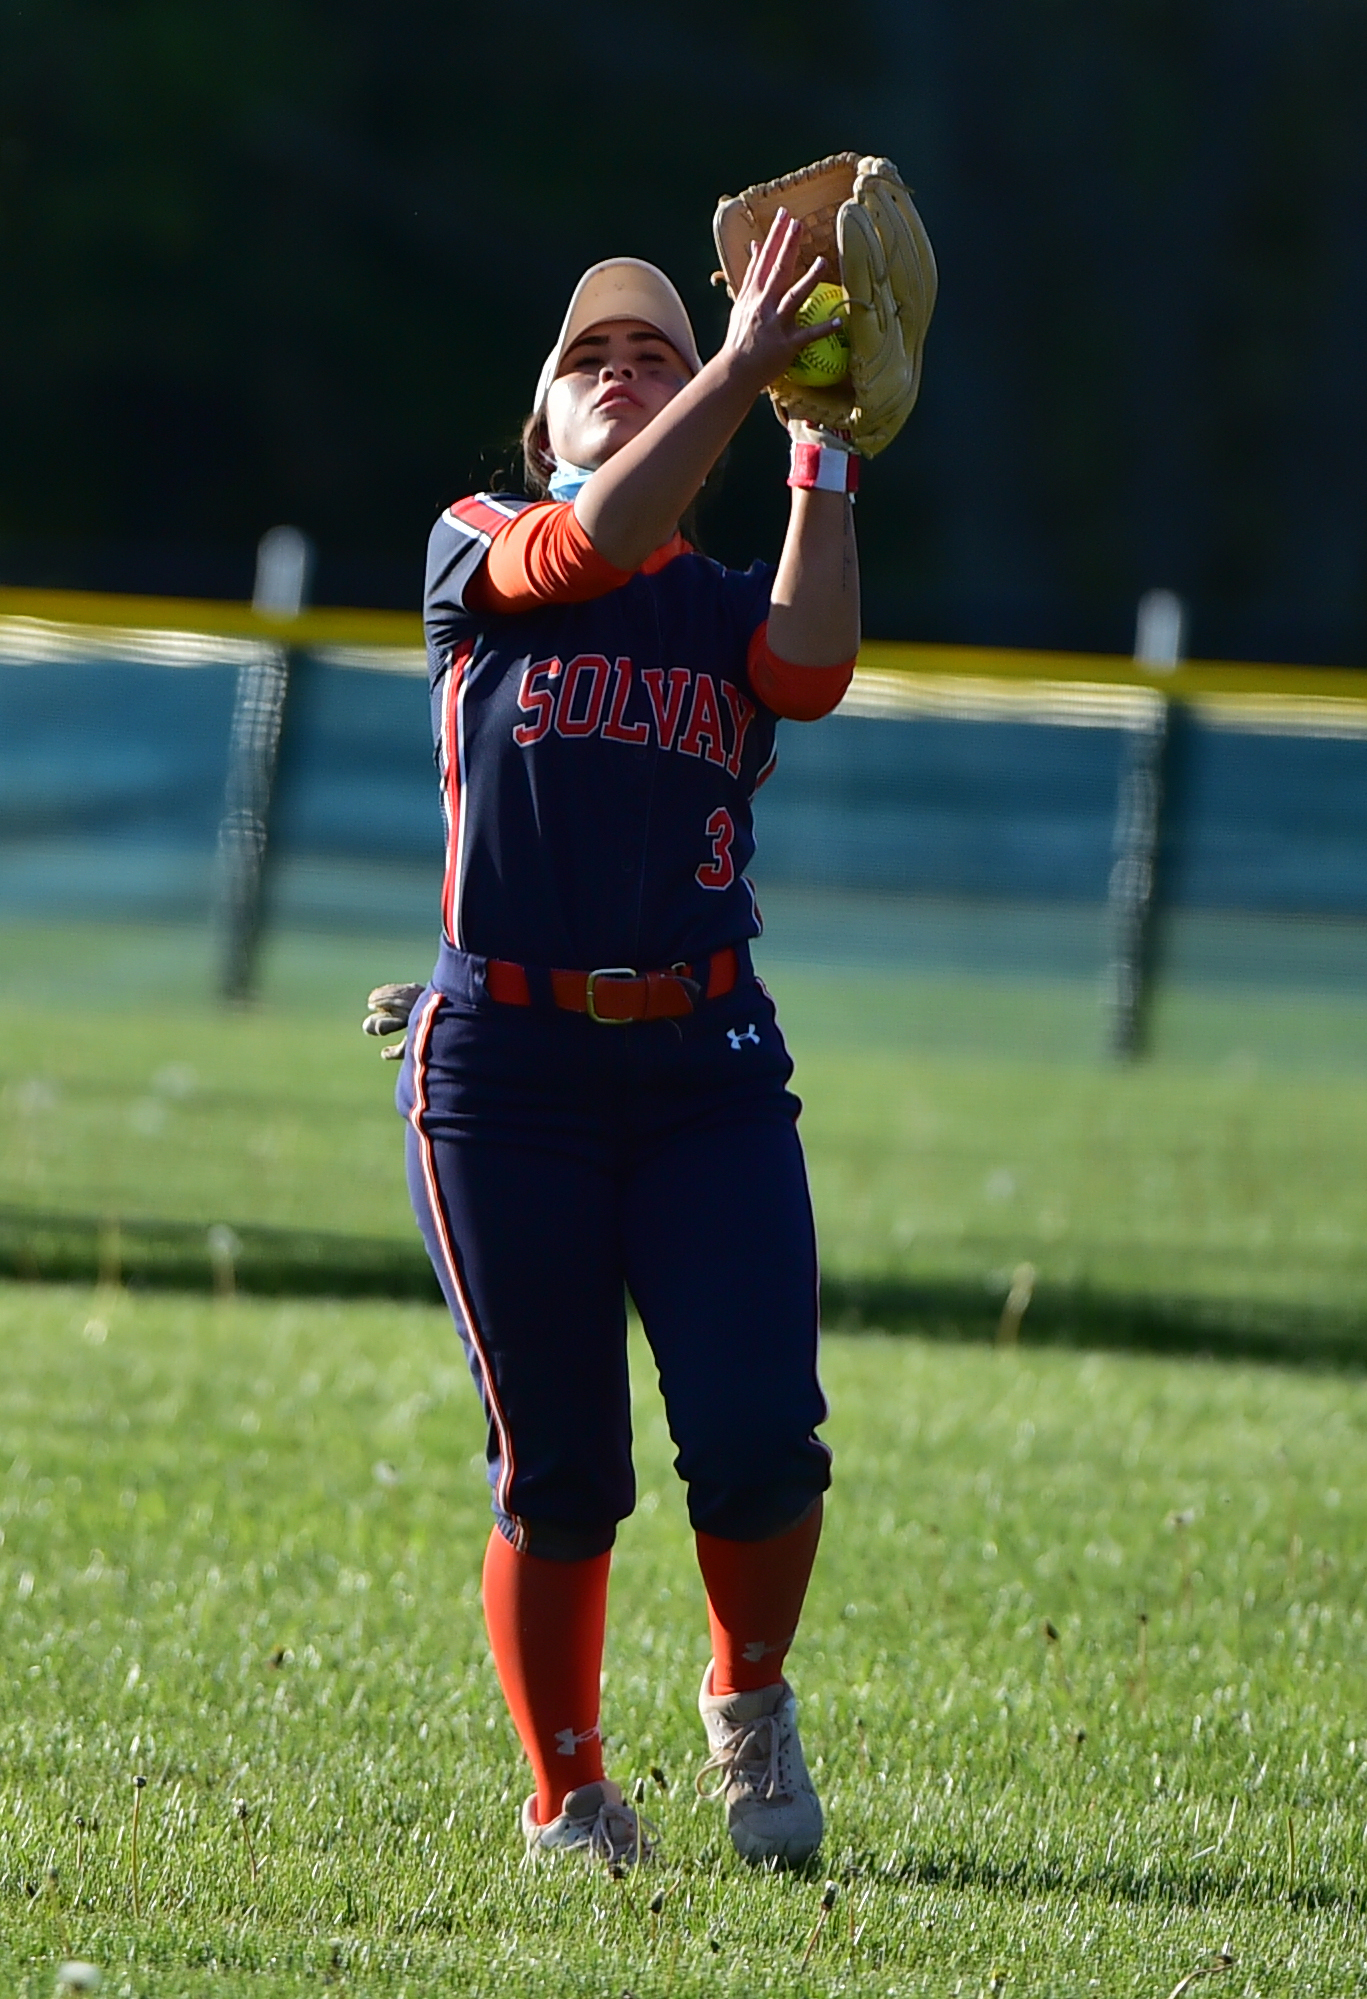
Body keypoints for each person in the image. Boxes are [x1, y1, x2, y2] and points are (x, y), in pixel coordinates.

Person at [396, 212, 863, 1868]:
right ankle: (570, 1795)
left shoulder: (727, 604)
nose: (624, 369)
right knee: (563, 1468)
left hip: (702, 1069)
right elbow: (583, 550)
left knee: (755, 1434)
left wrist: (821, 441)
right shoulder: (483, 545)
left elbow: (808, 669)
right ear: (542, 426)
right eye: (590, 358)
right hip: (504, 1077)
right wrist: (737, 360)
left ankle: (746, 1698)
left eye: (656, 351)